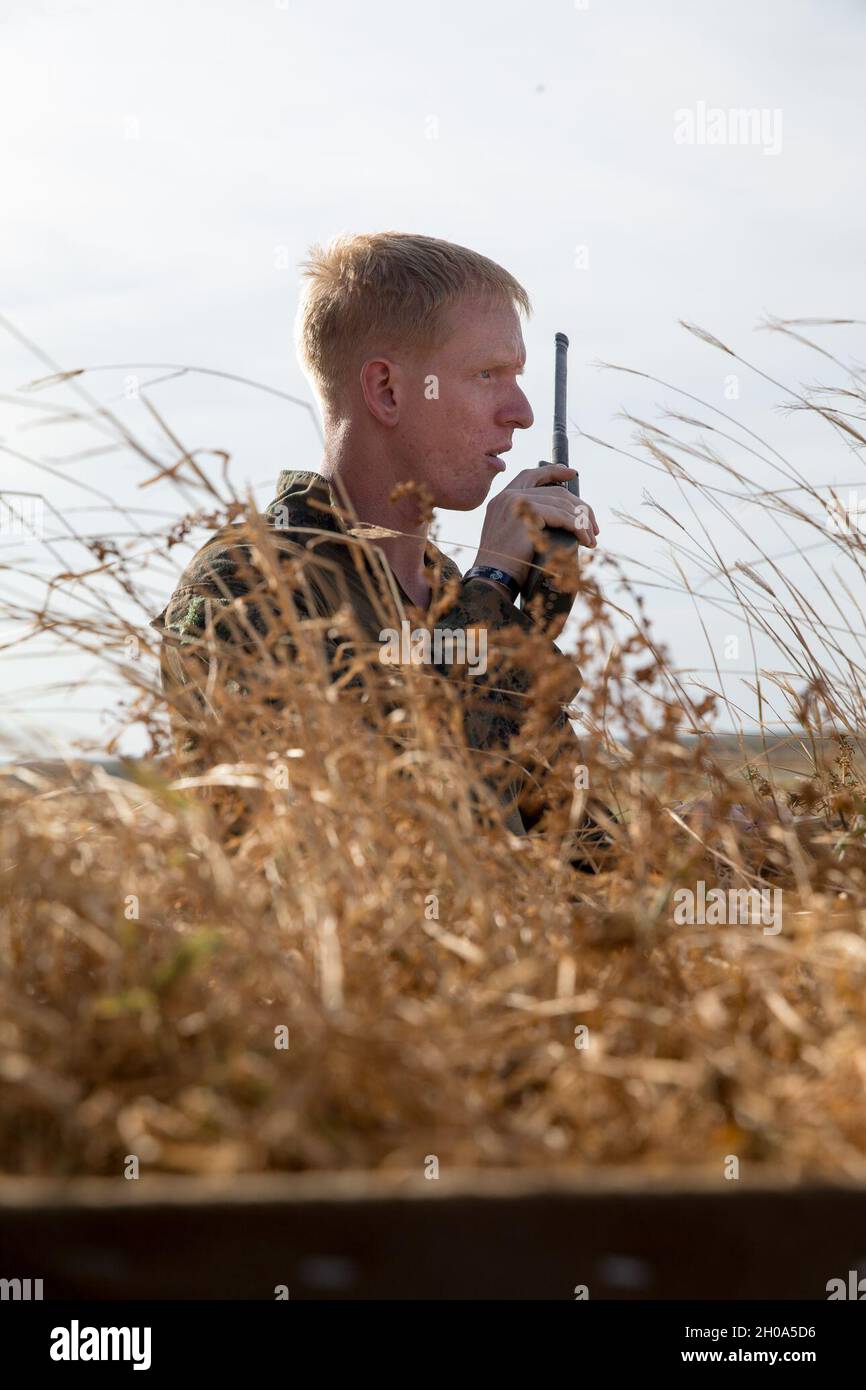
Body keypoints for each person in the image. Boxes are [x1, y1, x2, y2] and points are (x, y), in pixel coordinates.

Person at [151, 231, 612, 865]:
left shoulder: (449, 590)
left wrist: (697, 853)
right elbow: (386, 832)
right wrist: (495, 588)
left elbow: (565, 834)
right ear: (388, 391)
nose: (522, 412)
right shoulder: (248, 584)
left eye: (518, 377)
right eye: (487, 374)